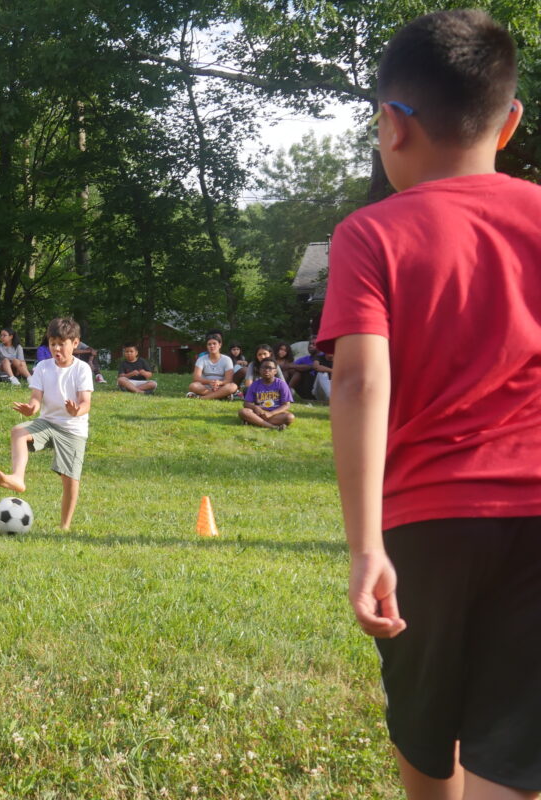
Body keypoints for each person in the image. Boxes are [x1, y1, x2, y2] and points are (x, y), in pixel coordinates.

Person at [320, 10, 537, 799]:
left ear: (391, 125)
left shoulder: (370, 234)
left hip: (428, 522)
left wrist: (364, 545)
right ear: (509, 123)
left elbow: (359, 382)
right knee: (514, 750)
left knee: (426, 725)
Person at [0, 317, 93, 531]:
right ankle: (18, 478)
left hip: (73, 429)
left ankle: (64, 526)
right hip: (47, 422)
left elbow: (86, 403)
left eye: (61, 344)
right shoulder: (43, 367)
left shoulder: (82, 369)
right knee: (18, 431)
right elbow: (36, 397)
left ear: (75, 343)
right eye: (52, 343)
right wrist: (31, 408)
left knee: (70, 480)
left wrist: (77, 410)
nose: (56, 348)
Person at [238, 358, 295, 430]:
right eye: (264, 367)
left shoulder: (281, 384)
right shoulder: (255, 384)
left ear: (275, 371)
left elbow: (286, 405)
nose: (266, 370)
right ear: (259, 370)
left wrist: (271, 413)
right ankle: (272, 426)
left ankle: (254, 421)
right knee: (243, 412)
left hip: (275, 413)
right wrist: (256, 407)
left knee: (289, 417)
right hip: (259, 413)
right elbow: (246, 403)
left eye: (270, 368)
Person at [186, 334, 237, 399]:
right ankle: (221, 396)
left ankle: (202, 398)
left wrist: (219, 383)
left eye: (214, 344)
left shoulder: (227, 359)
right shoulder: (201, 359)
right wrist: (210, 382)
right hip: (205, 386)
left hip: (221, 386)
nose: (212, 346)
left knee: (233, 386)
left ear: (220, 345)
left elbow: (228, 379)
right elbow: (196, 378)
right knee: (193, 386)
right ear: (207, 346)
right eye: (209, 344)